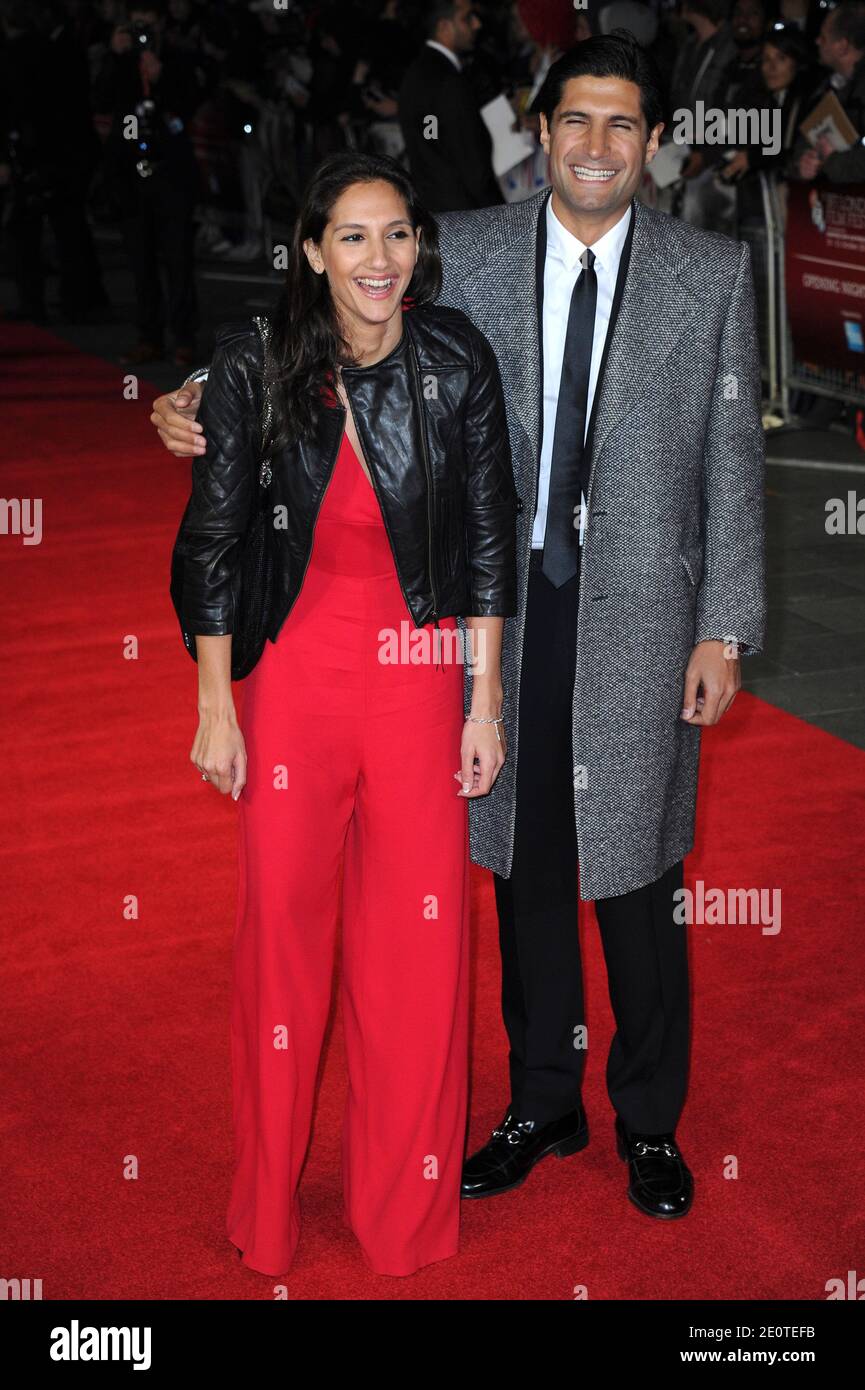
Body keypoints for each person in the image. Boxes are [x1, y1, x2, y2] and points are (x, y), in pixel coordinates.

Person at [153, 31, 765, 1227]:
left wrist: (725, 627)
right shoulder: (470, 252)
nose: (596, 144)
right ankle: (542, 1098)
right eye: (575, 120)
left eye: (622, 124)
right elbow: (341, 326)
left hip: (643, 608)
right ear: (540, 133)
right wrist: (190, 401)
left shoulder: (710, 274)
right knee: (522, 856)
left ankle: (647, 1117)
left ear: (652, 142)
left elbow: (732, 465)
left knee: (636, 869)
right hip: (490, 610)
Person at [167, 151, 518, 1277]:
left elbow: (487, 545)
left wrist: (485, 696)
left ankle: (401, 1212)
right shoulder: (254, 361)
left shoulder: (456, 355)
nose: (381, 259)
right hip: (296, 682)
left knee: (415, 962)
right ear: (312, 251)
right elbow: (212, 542)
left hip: (418, 682)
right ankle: (263, 1205)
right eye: (355, 237)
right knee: (282, 951)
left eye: (399, 235)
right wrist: (215, 704)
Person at [398, 0, 504, 212]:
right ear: (444, 26)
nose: (477, 25)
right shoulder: (448, 80)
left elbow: (433, 140)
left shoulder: (418, 72)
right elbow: (472, 164)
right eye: (467, 19)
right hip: (466, 213)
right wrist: (502, 214)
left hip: (434, 207)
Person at [792, 0, 865, 183]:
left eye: (823, 38)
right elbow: (807, 138)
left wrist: (830, 161)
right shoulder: (829, 87)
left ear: (842, 46)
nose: (817, 41)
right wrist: (804, 161)